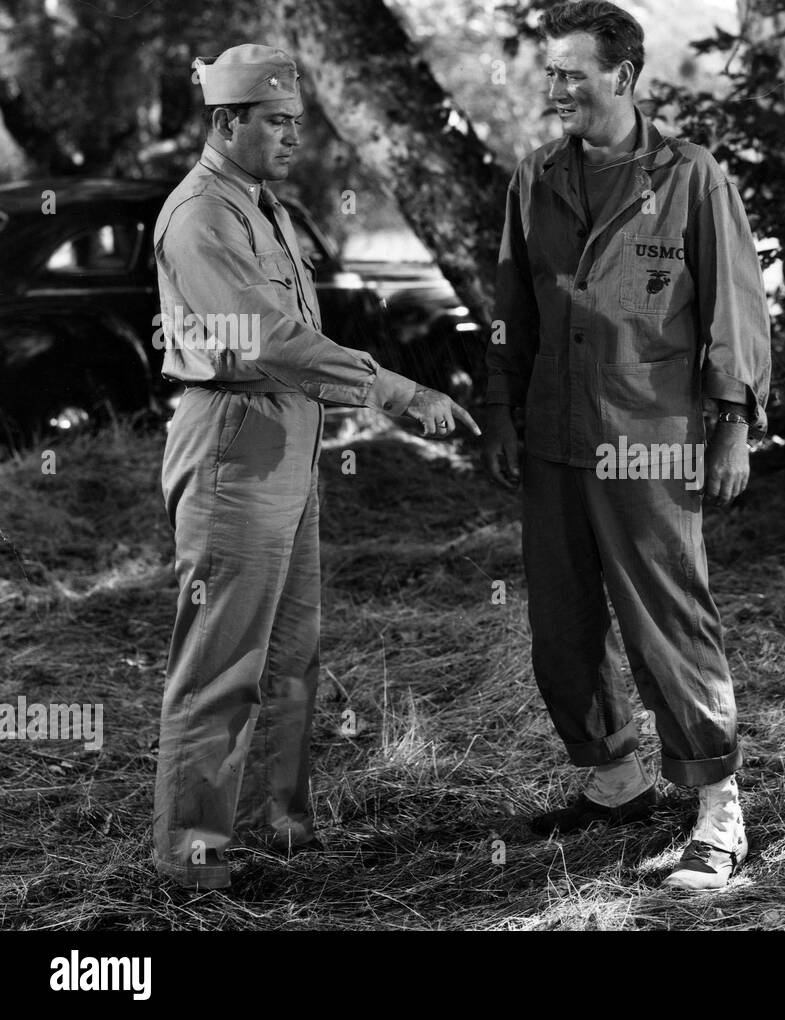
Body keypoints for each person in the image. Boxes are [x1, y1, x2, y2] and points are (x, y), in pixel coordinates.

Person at [152, 43, 478, 890]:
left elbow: (295, 348)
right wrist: (396, 391)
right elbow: (272, 342)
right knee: (222, 662)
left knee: (293, 653)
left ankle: (284, 830)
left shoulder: (267, 209)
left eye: (298, 121)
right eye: (276, 122)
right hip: (233, 444)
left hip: (288, 438)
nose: (295, 138)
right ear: (227, 123)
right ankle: (194, 863)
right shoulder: (201, 217)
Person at [482, 1, 771, 890]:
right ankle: (615, 781)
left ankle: (720, 810)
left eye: (571, 72)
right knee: (562, 628)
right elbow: (511, 310)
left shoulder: (690, 176)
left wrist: (732, 425)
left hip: (652, 439)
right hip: (556, 439)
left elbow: (736, 306)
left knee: (666, 623)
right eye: (550, 73)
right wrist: (500, 410)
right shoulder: (534, 179)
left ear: (622, 75)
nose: (555, 88)